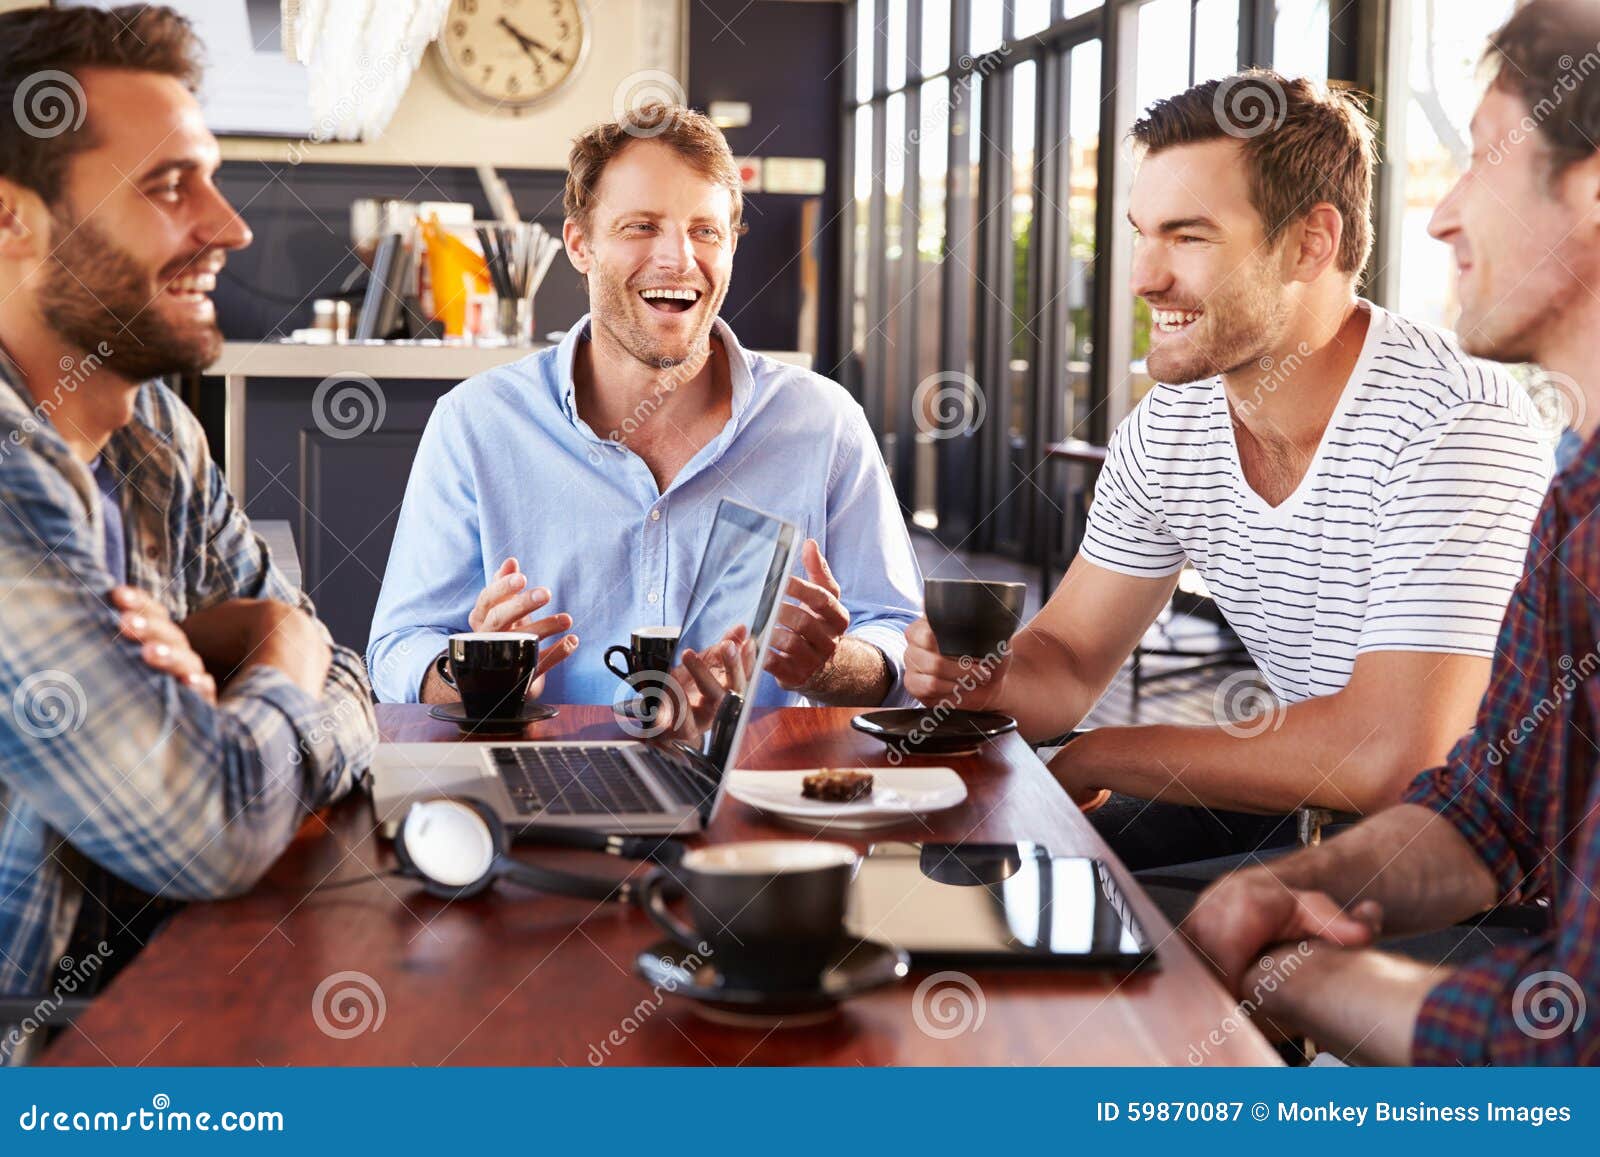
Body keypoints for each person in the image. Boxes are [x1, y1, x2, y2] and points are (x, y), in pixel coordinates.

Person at [903, 70, 1554, 870]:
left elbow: (1396, 753)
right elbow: (1067, 658)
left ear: (1310, 243)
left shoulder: (1451, 420)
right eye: (1143, 234)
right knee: (967, 858)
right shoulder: (1170, 429)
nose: (1144, 278)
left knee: (1109, 893)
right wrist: (987, 678)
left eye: (1189, 237)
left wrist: (1097, 753)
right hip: (1319, 804)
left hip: (1498, 856)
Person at [1183, 0, 1600, 1066]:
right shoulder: (1579, 497)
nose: (1440, 216)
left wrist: (1298, 974)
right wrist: (1286, 887)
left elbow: (1575, 1043)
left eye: (1482, 159)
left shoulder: (1468, 428)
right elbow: (1495, 809)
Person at [0, 5, 376, 1059]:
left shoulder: (152, 426)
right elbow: (207, 824)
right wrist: (277, 650)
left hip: (149, 984)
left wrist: (259, 658)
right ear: (11, 219)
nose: (231, 227)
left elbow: (343, 675)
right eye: (170, 186)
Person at [368, 104, 921, 714]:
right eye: (641, 227)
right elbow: (398, 648)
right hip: (548, 764)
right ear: (580, 244)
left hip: (758, 772)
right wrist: (471, 674)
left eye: (705, 231)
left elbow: (898, 635)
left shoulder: (824, 422)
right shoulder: (475, 422)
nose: (678, 259)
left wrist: (830, 667)